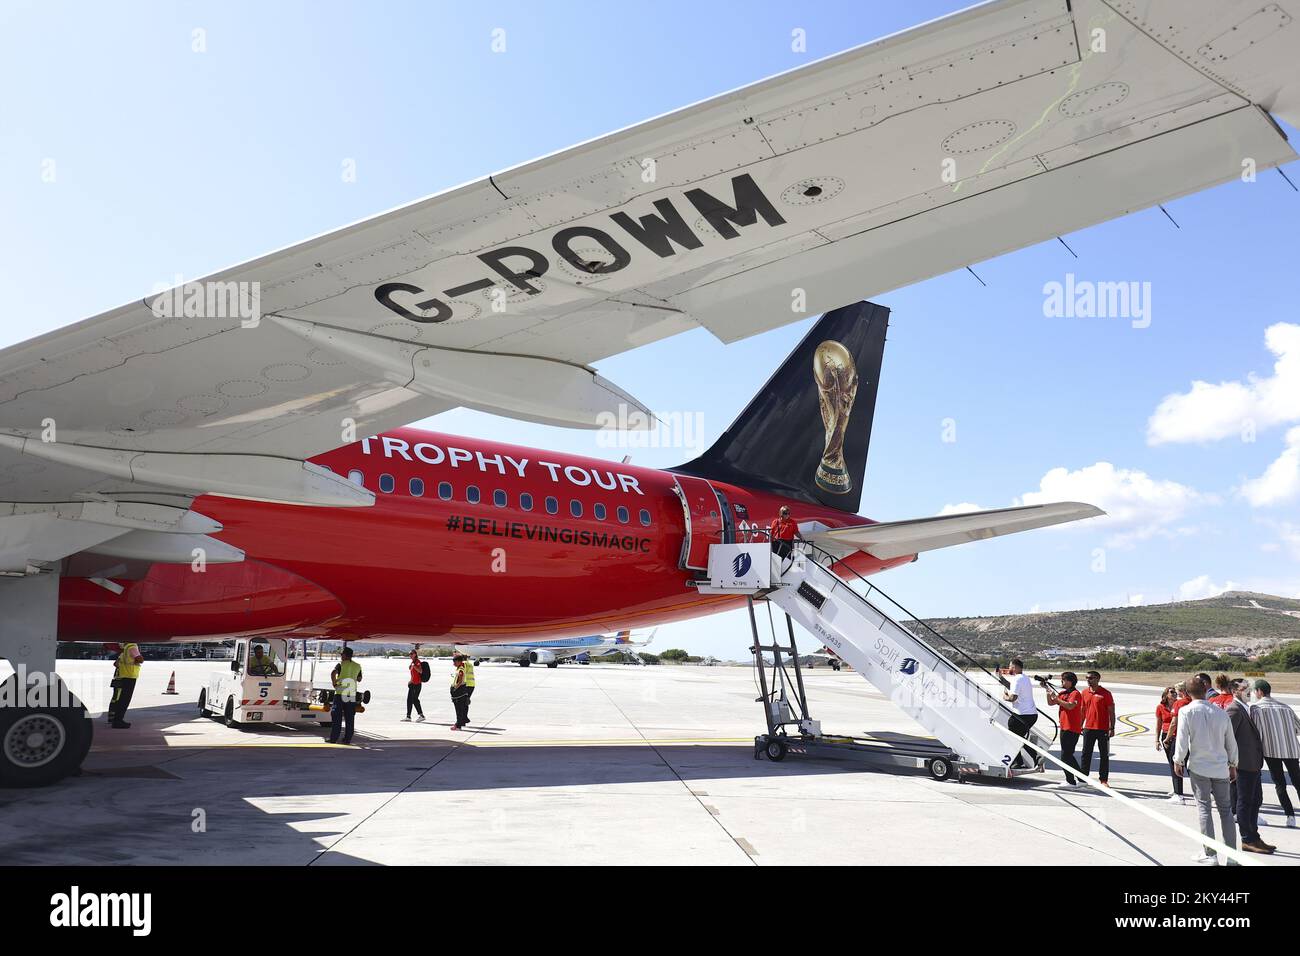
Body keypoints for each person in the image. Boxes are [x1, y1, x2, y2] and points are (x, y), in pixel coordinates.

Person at [1174, 677, 1239, 865]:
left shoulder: (1186, 711)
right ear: (1205, 690)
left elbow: (1182, 739)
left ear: (1186, 694)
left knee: (1204, 809)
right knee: (1225, 811)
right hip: (1220, 767)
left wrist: (1178, 760)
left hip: (1200, 767)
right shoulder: (1220, 712)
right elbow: (1231, 742)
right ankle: (1233, 856)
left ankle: (1210, 854)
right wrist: (1233, 764)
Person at [1224, 679, 1274, 854]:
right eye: (1244, 688)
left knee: (1256, 801)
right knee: (1245, 803)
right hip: (1243, 765)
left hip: (1253, 764)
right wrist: (1231, 764)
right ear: (1234, 691)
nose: (1248, 691)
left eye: (1249, 688)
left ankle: (1254, 837)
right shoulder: (1233, 709)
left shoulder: (1246, 708)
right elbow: (1227, 738)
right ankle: (1247, 839)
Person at [1250, 678, 1300, 828]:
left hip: (1271, 750)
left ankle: (1290, 816)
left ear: (1259, 691)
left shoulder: (1256, 708)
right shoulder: (1285, 707)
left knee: (1280, 784)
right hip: (1291, 749)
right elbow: (1298, 728)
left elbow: (1256, 733)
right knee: (1297, 782)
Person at [1045, 672, 1083, 786]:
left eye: (1064, 680)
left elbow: (1070, 706)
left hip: (1072, 728)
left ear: (1070, 681)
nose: (1061, 682)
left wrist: (1057, 699)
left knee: (1065, 756)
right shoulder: (1063, 693)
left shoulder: (1075, 693)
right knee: (1068, 755)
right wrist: (1047, 691)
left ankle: (1071, 781)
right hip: (1064, 727)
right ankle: (1081, 779)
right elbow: (1051, 702)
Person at [1078, 671, 1116, 787]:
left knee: (1104, 755)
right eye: (1087, 678)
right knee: (1086, 753)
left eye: (1091, 678)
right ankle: (1083, 778)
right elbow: (1082, 711)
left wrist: (1112, 727)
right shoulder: (1084, 692)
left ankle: (1103, 779)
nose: (1088, 680)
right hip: (1088, 728)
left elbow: (1111, 712)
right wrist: (1080, 725)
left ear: (1098, 679)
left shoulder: (1106, 693)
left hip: (1102, 728)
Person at [999, 659, 1038, 768]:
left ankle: (1024, 760)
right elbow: (1012, 687)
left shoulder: (1017, 679)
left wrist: (1005, 697)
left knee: (1013, 738)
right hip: (1031, 714)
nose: (1009, 668)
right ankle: (1021, 760)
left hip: (1021, 715)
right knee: (1018, 738)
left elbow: (1013, 697)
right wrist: (1001, 678)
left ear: (1015, 667)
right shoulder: (1024, 678)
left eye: (1010, 666)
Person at [327, 647, 363, 745]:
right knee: (349, 717)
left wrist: (334, 683)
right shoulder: (357, 666)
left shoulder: (340, 664)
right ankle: (347, 739)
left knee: (337, 717)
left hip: (340, 694)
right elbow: (359, 679)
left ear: (345, 655)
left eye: (342, 654)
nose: (341, 656)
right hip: (351, 694)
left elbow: (333, 673)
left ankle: (333, 738)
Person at [107, 641, 144, 729]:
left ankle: (115, 718)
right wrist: (137, 660)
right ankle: (118, 721)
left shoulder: (125, 649)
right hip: (130, 676)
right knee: (125, 700)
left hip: (122, 676)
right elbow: (140, 659)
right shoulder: (132, 647)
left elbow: (116, 664)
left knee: (120, 699)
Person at [1155, 685, 1183, 800]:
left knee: (1181, 762)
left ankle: (1178, 790)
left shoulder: (1179, 704)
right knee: (1172, 763)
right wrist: (1157, 740)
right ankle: (1176, 787)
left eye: (1175, 692)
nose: (1174, 694)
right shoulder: (1160, 707)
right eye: (1171, 692)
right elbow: (1158, 724)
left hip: (1179, 735)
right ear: (1166, 694)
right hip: (1166, 735)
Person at [449, 654, 475, 730]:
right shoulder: (463, 666)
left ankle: (459, 724)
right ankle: (461, 722)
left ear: (460, 661)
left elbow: (460, 681)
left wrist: (455, 688)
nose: (453, 663)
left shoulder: (462, 667)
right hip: (467, 687)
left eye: (455, 661)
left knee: (459, 708)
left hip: (462, 689)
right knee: (461, 707)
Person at [403, 649, 426, 723]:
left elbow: (420, 671)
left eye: (412, 654)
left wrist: (414, 666)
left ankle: (421, 715)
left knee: (414, 699)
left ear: (415, 654)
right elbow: (413, 674)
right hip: (413, 684)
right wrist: (410, 681)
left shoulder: (417, 662)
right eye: (409, 654)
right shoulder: (413, 662)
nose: (410, 655)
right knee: (410, 700)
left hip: (417, 684)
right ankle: (408, 716)